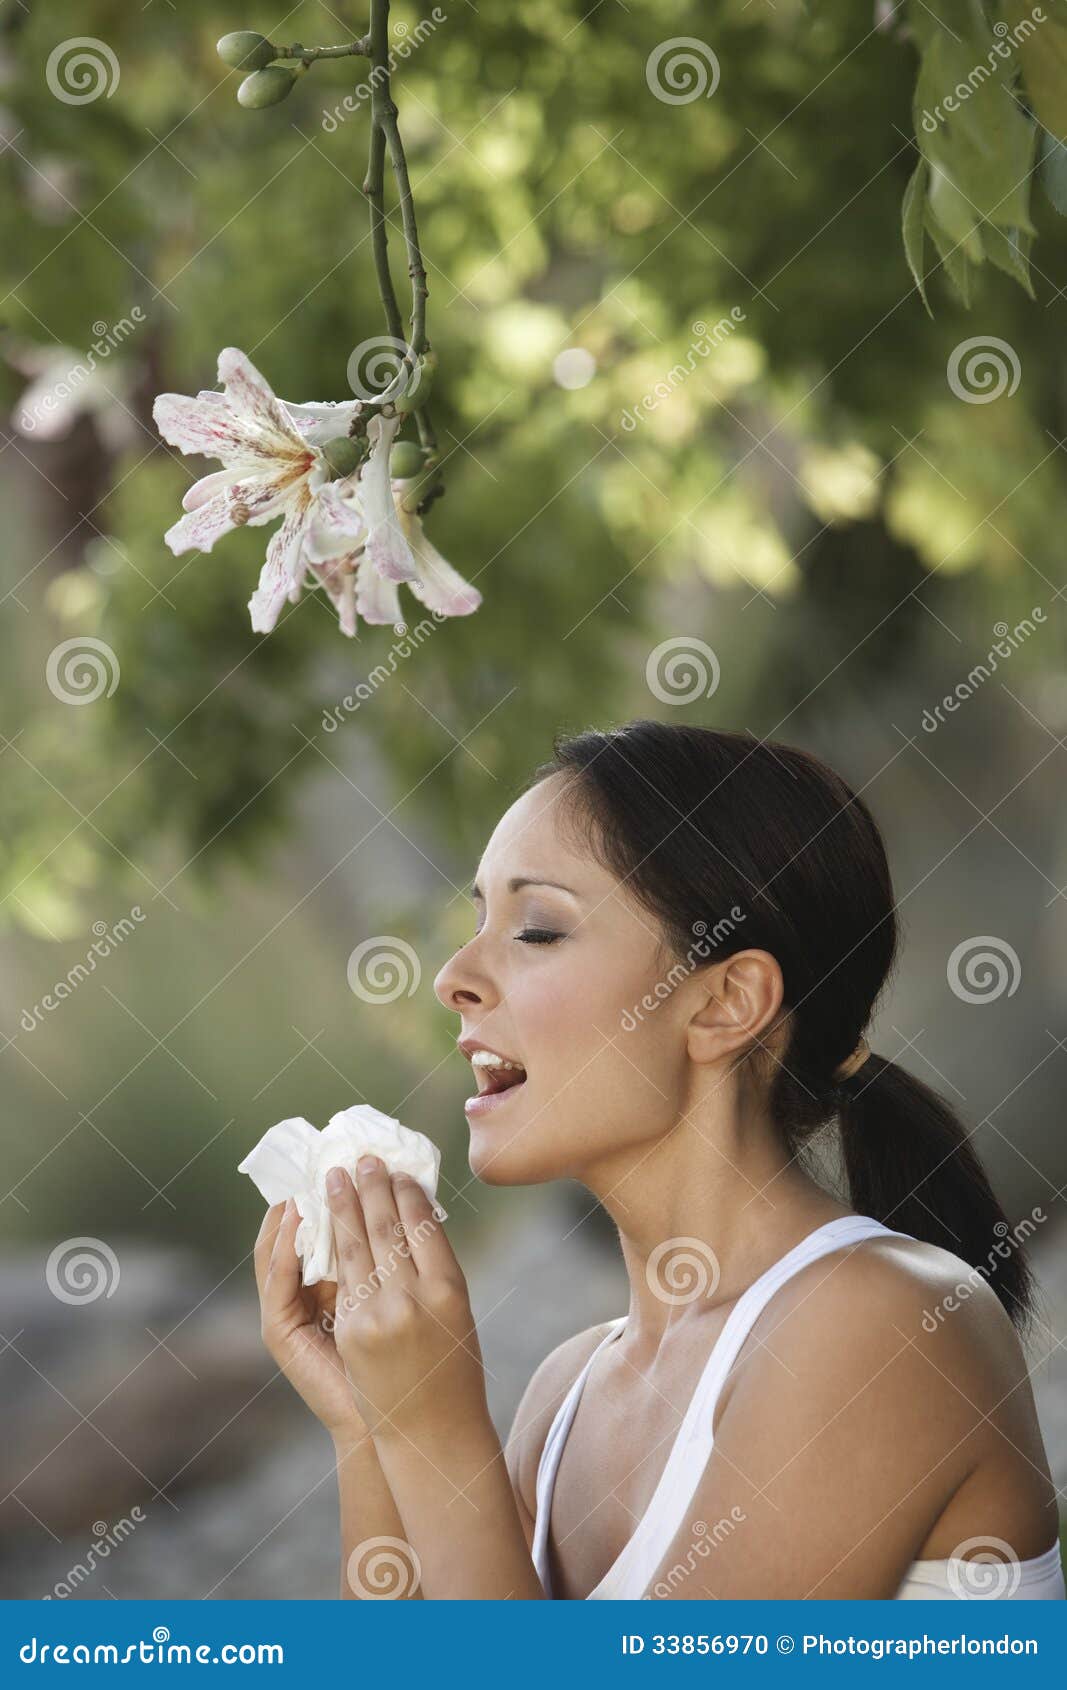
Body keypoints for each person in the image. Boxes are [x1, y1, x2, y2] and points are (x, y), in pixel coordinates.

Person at [253, 721, 1064, 1600]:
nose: (452, 976)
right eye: (473, 919)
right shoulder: (565, 1396)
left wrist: (433, 1433)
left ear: (723, 1002)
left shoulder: (885, 1323)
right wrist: (372, 1426)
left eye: (533, 930)